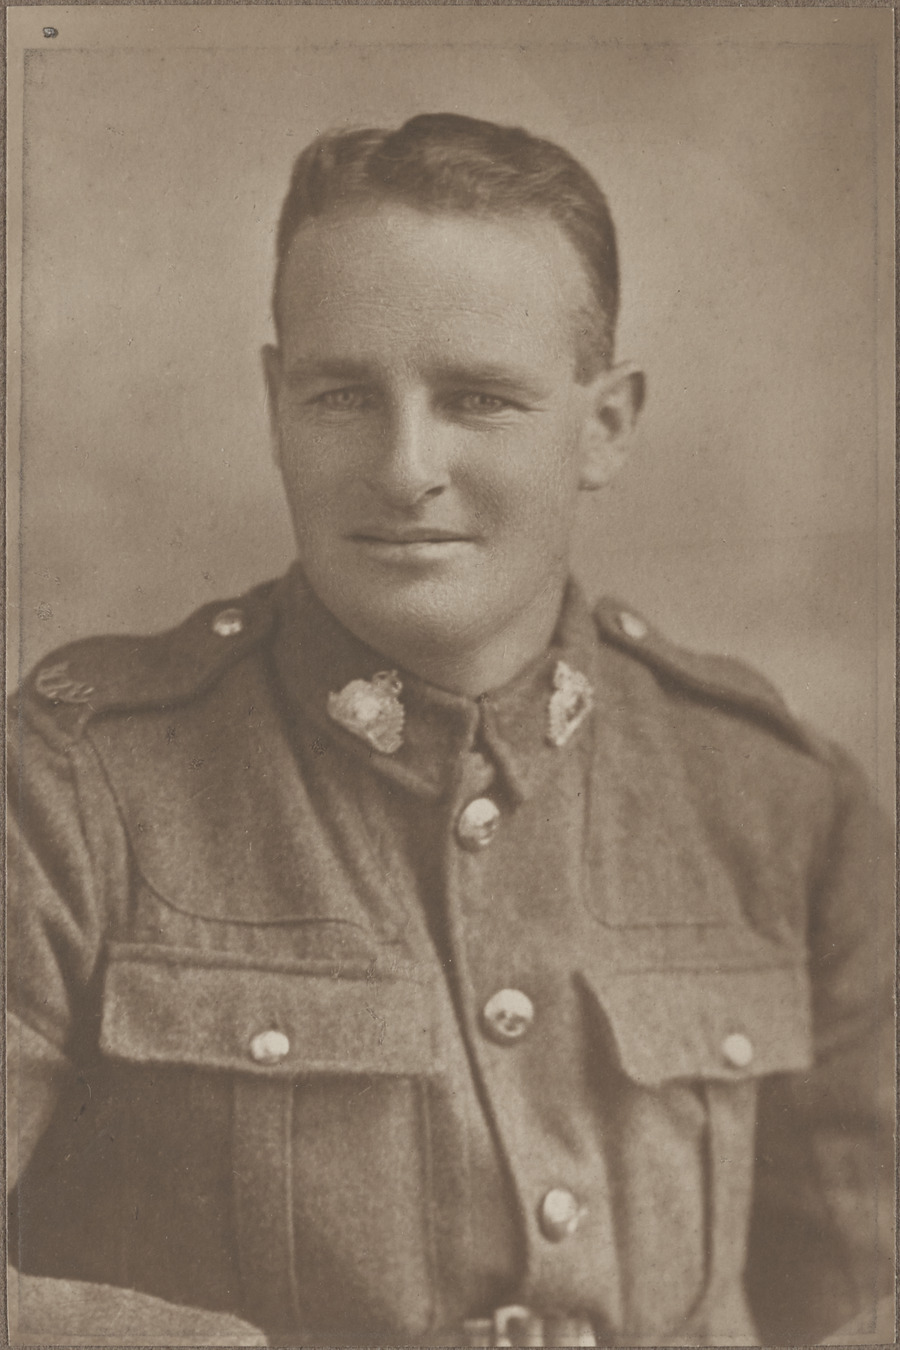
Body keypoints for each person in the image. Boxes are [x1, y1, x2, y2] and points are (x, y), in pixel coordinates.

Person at [7, 113, 893, 1348]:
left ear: (606, 425)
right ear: (274, 404)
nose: (403, 465)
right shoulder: (75, 786)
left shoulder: (771, 796)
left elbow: (869, 1287)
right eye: (342, 395)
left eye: (478, 399)